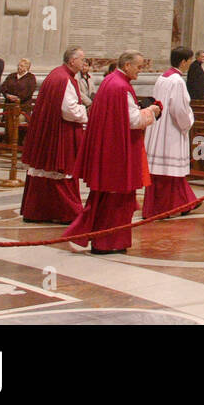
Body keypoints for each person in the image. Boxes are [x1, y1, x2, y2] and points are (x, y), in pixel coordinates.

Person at [67, 51, 161, 255]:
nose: (140, 70)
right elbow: (133, 120)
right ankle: (109, 242)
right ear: (127, 65)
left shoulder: (110, 81)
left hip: (108, 149)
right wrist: (153, 111)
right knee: (116, 200)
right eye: (138, 66)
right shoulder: (121, 86)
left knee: (107, 198)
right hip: (119, 152)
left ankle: (104, 240)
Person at [20, 46, 89, 223]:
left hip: (48, 129)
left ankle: (37, 211)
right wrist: (87, 112)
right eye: (82, 59)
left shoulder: (56, 74)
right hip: (60, 131)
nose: (84, 62)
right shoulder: (65, 79)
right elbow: (69, 110)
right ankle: (67, 212)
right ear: (72, 61)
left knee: (45, 168)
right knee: (60, 169)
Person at [142, 46, 198, 219]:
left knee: (162, 171)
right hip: (170, 131)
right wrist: (188, 123)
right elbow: (179, 109)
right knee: (168, 171)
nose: (190, 64)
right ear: (183, 61)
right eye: (189, 61)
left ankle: (178, 203)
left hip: (158, 126)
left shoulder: (162, 78)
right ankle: (165, 207)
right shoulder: (177, 81)